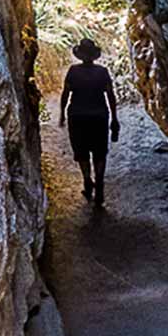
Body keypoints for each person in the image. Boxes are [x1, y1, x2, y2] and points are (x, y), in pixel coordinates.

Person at [59, 37, 119, 208]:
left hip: (77, 116)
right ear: (94, 55)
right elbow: (110, 95)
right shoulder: (102, 72)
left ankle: (87, 180)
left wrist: (62, 114)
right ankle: (99, 183)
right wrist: (114, 117)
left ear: (80, 55)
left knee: (81, 150)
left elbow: (66, 93)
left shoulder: (73, 71)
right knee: (100, 152)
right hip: (99, 116)